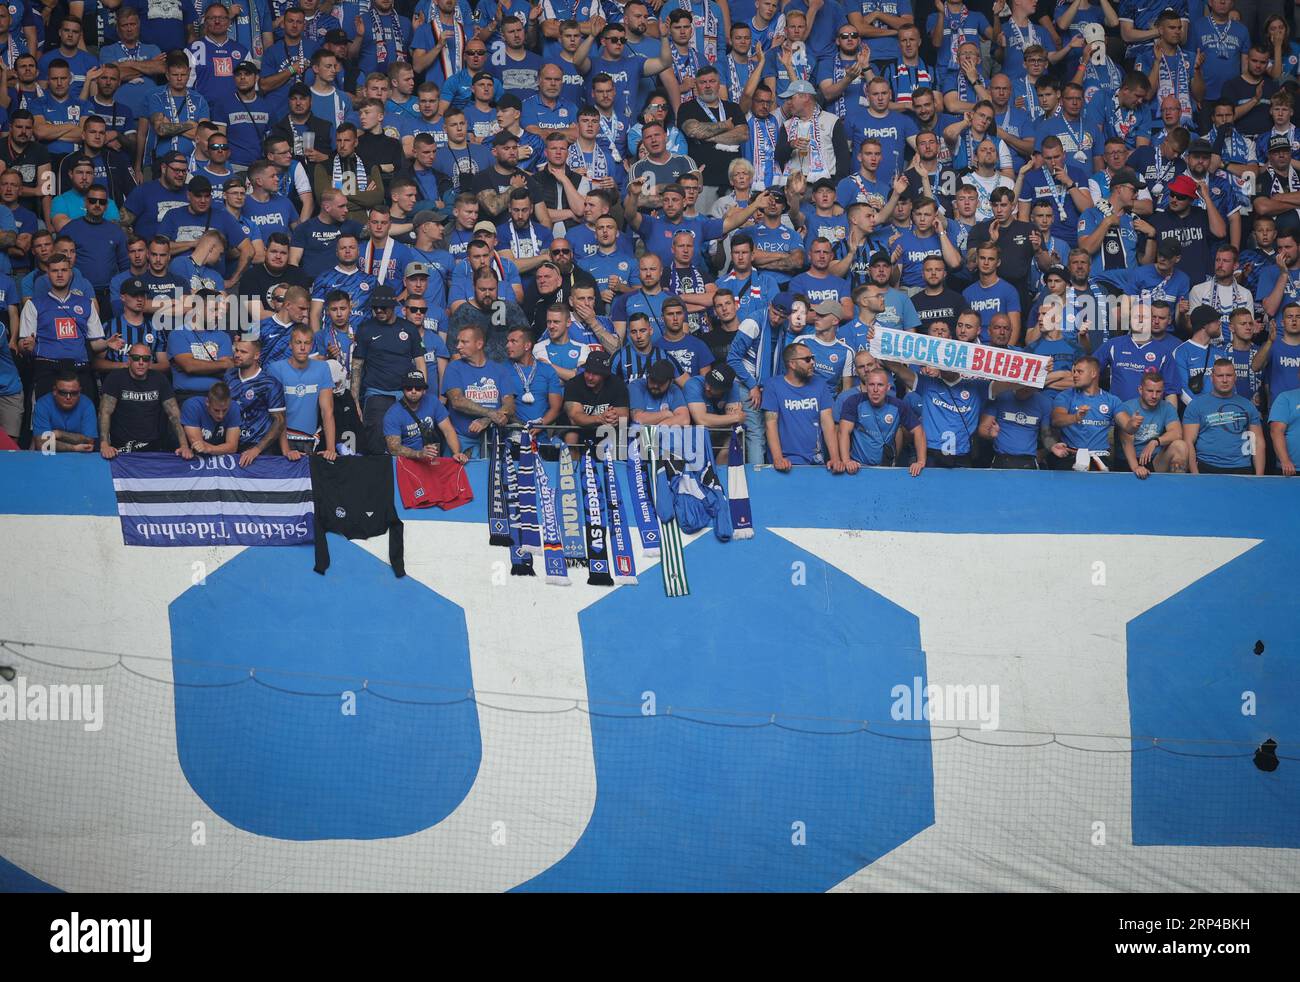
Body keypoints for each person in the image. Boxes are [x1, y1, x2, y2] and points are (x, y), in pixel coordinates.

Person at [17, 254, 107, 398]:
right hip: (48, 367)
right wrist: (27, 346)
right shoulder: (33, 305)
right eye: (55, 270)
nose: (60, 274)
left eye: (64, 270)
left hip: (79, 367)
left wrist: (108, 343)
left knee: (87, 411)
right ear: (48, 273)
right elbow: (23, 345)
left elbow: (95, 343)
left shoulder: (86, 303)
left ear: (71, 272)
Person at [835, 353, 926, 474]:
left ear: (888, 387)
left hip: (887, 468)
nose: (876, 390)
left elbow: (918, 430)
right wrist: (846, 461)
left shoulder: (898, 405)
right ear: (866, 386)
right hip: (858, 467)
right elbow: (843, 432)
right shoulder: (853, 402)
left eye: (880, 385)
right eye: (872, 385)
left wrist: (920, 461)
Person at [98, 343, 192, 459]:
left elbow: (174, 415)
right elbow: (105, 412)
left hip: (154, 446)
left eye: (146, 359)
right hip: (122, 447)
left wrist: (184, 445)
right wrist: (105, 444)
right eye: (136, 358)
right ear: (129, 360)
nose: (141, 362)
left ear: (150, 362)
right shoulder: (115, 378)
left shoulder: (160, 379)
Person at [441, 320, 518, 458]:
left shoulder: (500, 370)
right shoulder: (454, 367)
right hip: (461, 442)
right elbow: (457, 401)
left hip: (494, 440)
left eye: (464, 342)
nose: (458, 346)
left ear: (479, 344)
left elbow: (510, 406)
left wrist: (486, 420)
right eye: (458, 342)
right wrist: (491, 414)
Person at [762, 341, 842, 472]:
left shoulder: (820, 385)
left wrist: (835, 458)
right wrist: (778, 458)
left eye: (812, 358)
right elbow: (771, 423)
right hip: (787, 462)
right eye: (807, 359)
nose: (812, 362)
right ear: (792, 364)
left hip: (817, 462)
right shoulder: (773, 386)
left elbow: (828, 424)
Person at [1183, 359, 1266, 475]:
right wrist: (1196, 476)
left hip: (1241, 468)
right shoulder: (1196, 405)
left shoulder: (1248, 405)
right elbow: (1188, 442)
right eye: (1220, 376)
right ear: (1212, 378)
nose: (1225, 380)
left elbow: (1258, 442)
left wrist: (1259, 476)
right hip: (1207, 467)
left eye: (1229, 375)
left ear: (1235, 377)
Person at [270, 323, 337, 460]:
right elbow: (277, 413)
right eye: (298, 342)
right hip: (279, 438)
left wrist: (331, 449)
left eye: (306, 343)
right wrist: (286, 450)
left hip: (308, 440)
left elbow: (327, 411)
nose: (302, 347)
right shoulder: (275, 369)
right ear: (290, 345)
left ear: (312, 346)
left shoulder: (322, 368)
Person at [225, 336, 287, 468]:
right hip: (232, 446)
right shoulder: (229, 376)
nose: (237, 355)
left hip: (261, 449)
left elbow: (280, 421)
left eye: (243, 352)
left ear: (256, 355)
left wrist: (257, 450)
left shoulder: (270, 383)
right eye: (236, 350)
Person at [383, 370, 469, 463]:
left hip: (431, 460)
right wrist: (419, 454)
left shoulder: (432, 401)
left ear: (424, 390)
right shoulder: (393, 414)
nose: (413, 391)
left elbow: (448, 430)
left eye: (418, 388)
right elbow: (394, 448)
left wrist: (456, 452)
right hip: (406, 462)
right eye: (409, 388)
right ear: (403, 389)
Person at [1114, 372, 1188, 479]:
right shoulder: (1126, 407)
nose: (1154, 396)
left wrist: (1155, 442)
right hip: (1129, 461)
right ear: (1140, 390)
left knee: (1181, 446)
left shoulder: (1167, 407)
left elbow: (1176, 433)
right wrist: (1136, 467)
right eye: (1150, 391)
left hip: (1154, 460)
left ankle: (1176, 488)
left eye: (1158, 392)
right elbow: (1127, 443)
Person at [562, 348, 629, 445]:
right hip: (578, 428)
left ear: (605, 375)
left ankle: (614, 460)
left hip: (606, 429)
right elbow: (575, 418)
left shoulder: (617, 384)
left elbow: (624, 415)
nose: (589, 377)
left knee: (619, 431)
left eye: (596, 373)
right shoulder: (574, 384)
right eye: (588, 371)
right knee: (571, 437)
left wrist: (614, 418)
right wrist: (599, 418)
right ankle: (572, 461)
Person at [30, 370, 97, 453]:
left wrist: (58, 434)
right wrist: (74, 448)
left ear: (79, 392)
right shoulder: (43, 404)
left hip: (79, 458)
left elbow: (89, 442)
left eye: (74, 393)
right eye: (63, 393)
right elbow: (42, 444)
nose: (68, 397)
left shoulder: (87, 405)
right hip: (49, 457)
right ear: (54, 391)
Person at [181, 380, 242, 456]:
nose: (221, 415)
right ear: (207, 402)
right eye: (216, 410)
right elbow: (198, 446)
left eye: (225, 410)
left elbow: (232, 447)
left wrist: (210, 449)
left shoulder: (234, 407)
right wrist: (220, 449)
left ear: (229, 402)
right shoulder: (192, 406)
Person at [630, 358, 691, 426]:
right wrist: (667, 414)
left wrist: (658, 429)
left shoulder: (674, 389)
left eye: (661, 382)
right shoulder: (637, 386)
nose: (655, 386)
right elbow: (638, 419)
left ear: (670, 382)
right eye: (652, 380)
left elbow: (684, 420)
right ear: (648, 376)